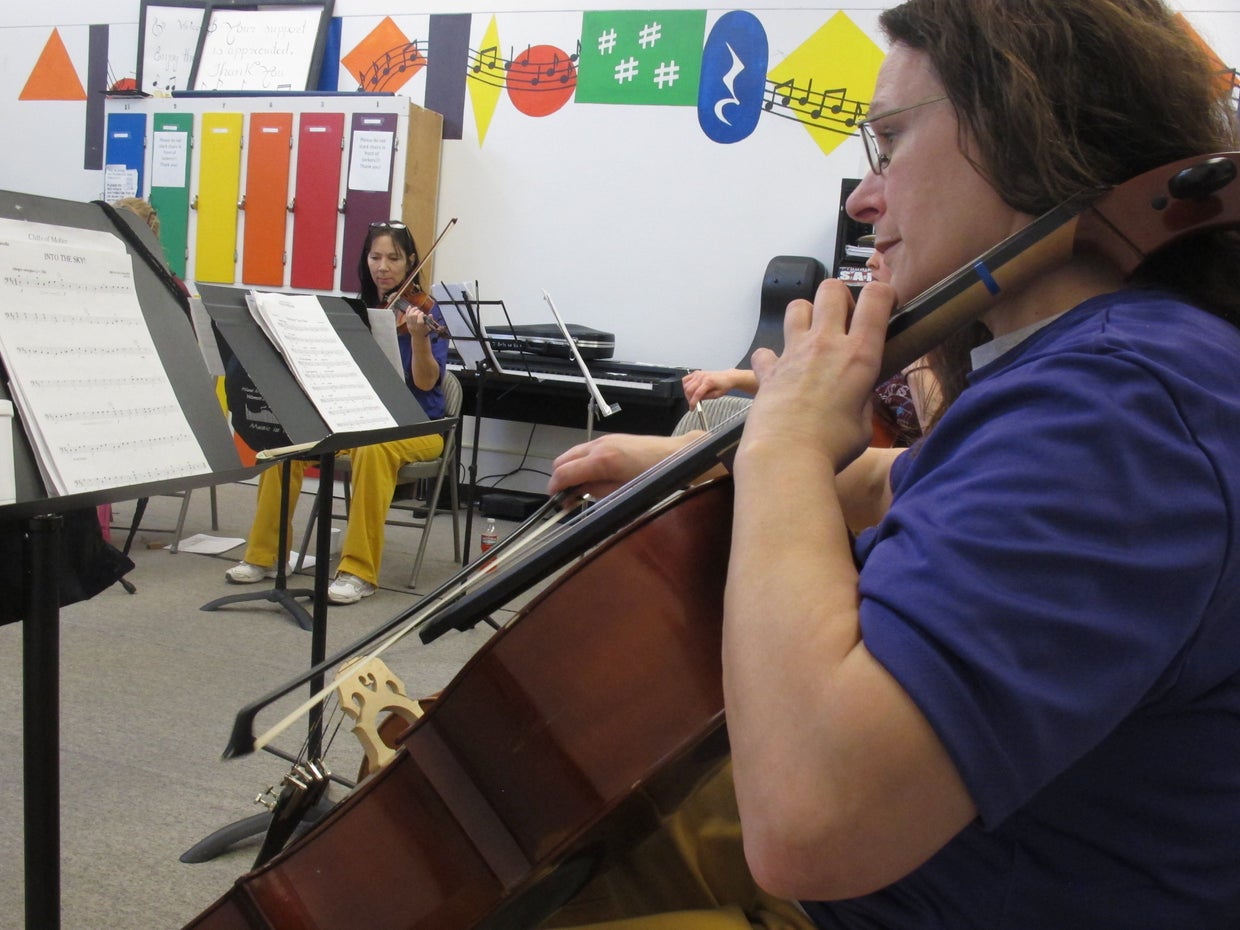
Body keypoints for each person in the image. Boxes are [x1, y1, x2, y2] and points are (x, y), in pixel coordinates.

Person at [545, 1, 1240, 927]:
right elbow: (905, 485)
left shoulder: (1118, 407)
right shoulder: (1092, 364)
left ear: (1029, 129)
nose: (862, 199)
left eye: (889, 144)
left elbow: (810, 823)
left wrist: (789, 445)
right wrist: (697, 458)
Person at [225, 221, 447, 604]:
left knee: (374, 448)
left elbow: (427, 385)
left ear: (410, 260)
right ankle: (265, 555)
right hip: (360, 418)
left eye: (393, 258)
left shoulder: (424, 312)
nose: (383, 266)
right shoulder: (356, 311)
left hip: (418, 425)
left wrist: (418, 338)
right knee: (289, 442)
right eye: (375, 257)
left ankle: (358, 572)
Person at [682, 253, 940, 444]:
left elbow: (941, 448)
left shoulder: (944, 345)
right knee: (700, 428)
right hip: (834, 445)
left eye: (886, 249)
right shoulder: (883, 327)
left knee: (703, 445)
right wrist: (732, 377)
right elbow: (812, 382)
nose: (870, 261)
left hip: (873, 471)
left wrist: (916, 356)